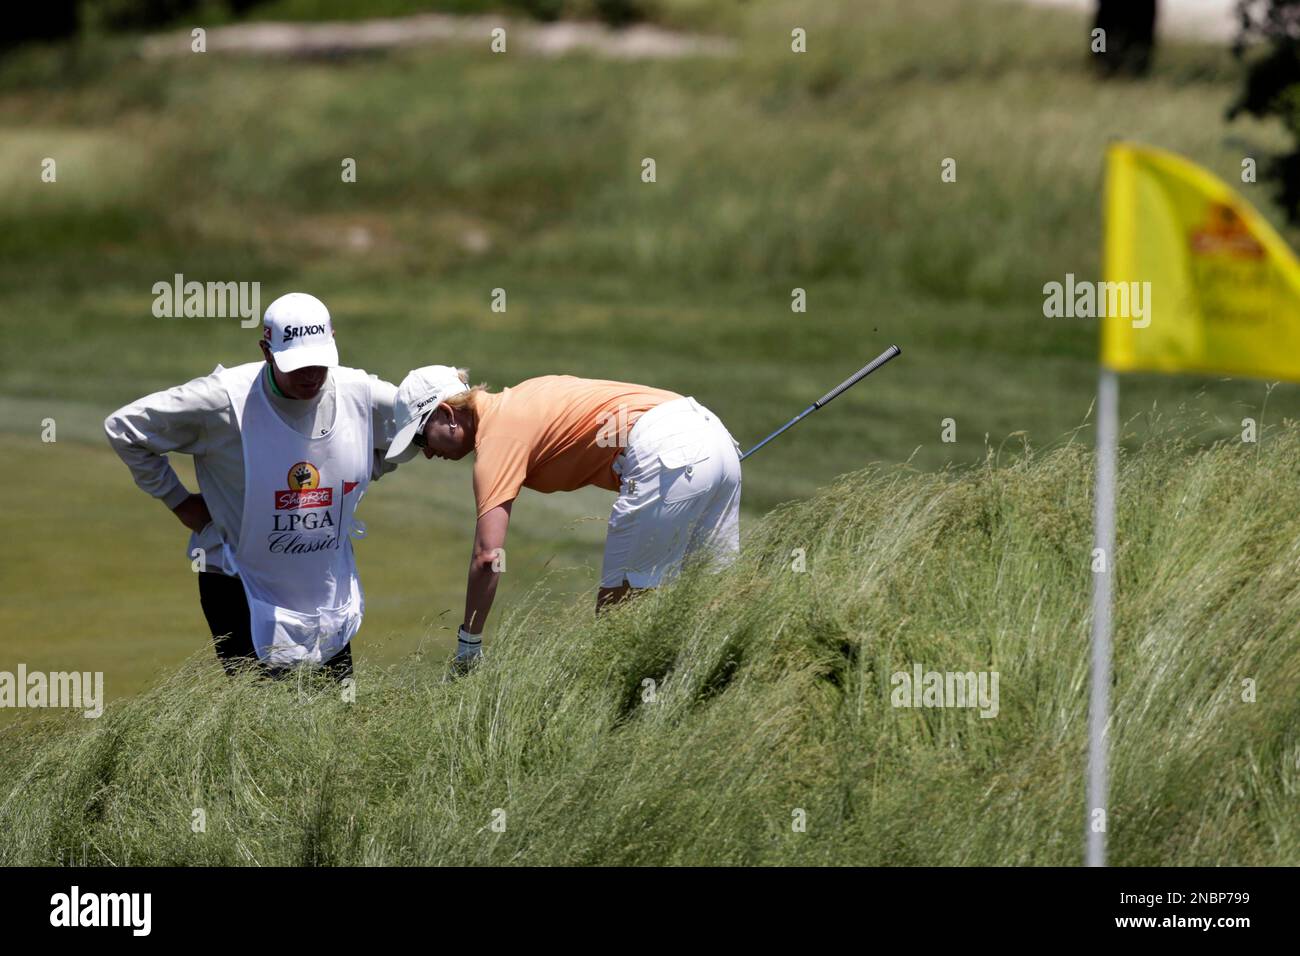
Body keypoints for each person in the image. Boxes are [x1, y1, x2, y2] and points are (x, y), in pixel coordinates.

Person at [104, 293, 418, 679]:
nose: (310, 375)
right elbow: (125, 428)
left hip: (319, 586)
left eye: (319, 362)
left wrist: (368, 468)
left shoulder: (358, 391)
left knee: (337, 714)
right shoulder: (220, 400)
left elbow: (420, 420)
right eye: (297, 365)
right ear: (267, 351)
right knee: (262, 723)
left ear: (333, 339)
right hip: (235, 583)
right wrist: (180, 502)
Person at [385, 367, 742, 667]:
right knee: (714, 595)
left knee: (618, 618)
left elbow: (488, 557)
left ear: (448, 414)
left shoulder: (497, 437)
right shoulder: (522, 396)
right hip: (713, 437)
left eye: (420, 438)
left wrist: (469, 645)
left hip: (669, 451)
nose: (427, 454)